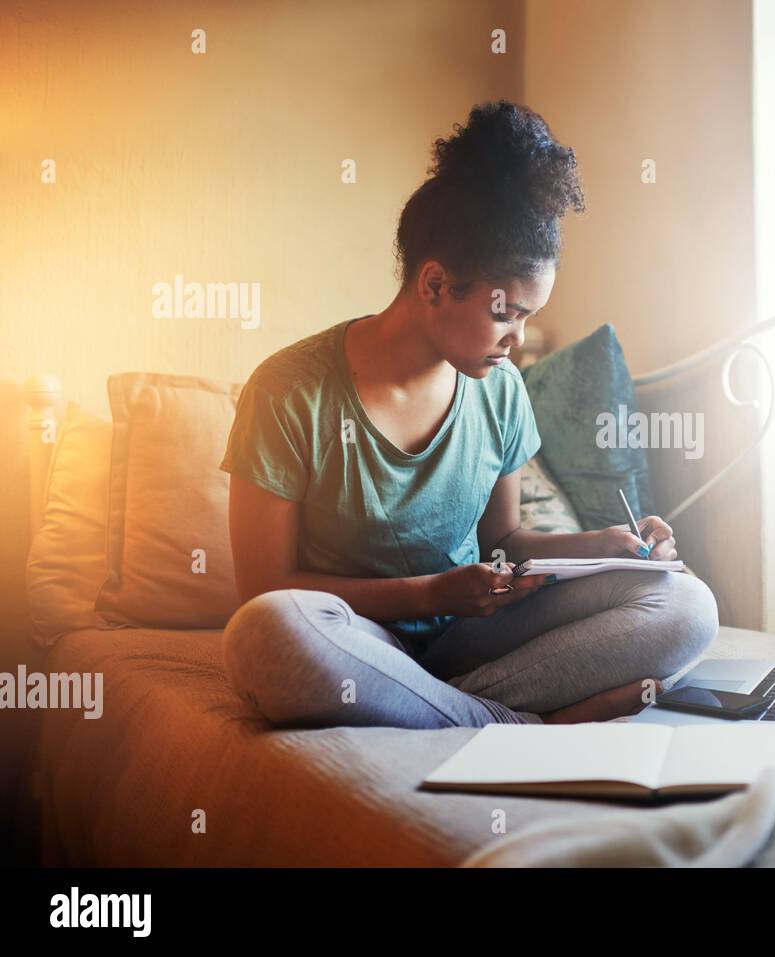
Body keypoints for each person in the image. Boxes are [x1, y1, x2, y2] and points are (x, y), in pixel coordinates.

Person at [219, 101, 719, 729]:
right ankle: (515, 722)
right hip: (355, 640)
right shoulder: (289, 391)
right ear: (433, 287)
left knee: (687, 605)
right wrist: (426, 593)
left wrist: (607, 547)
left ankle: (448, 711)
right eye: (508, 313)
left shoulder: (500, 389)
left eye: (528, 317)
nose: (517, 339)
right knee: (265, 634)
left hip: (469, 641)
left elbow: (502, 540)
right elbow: (265, 588)